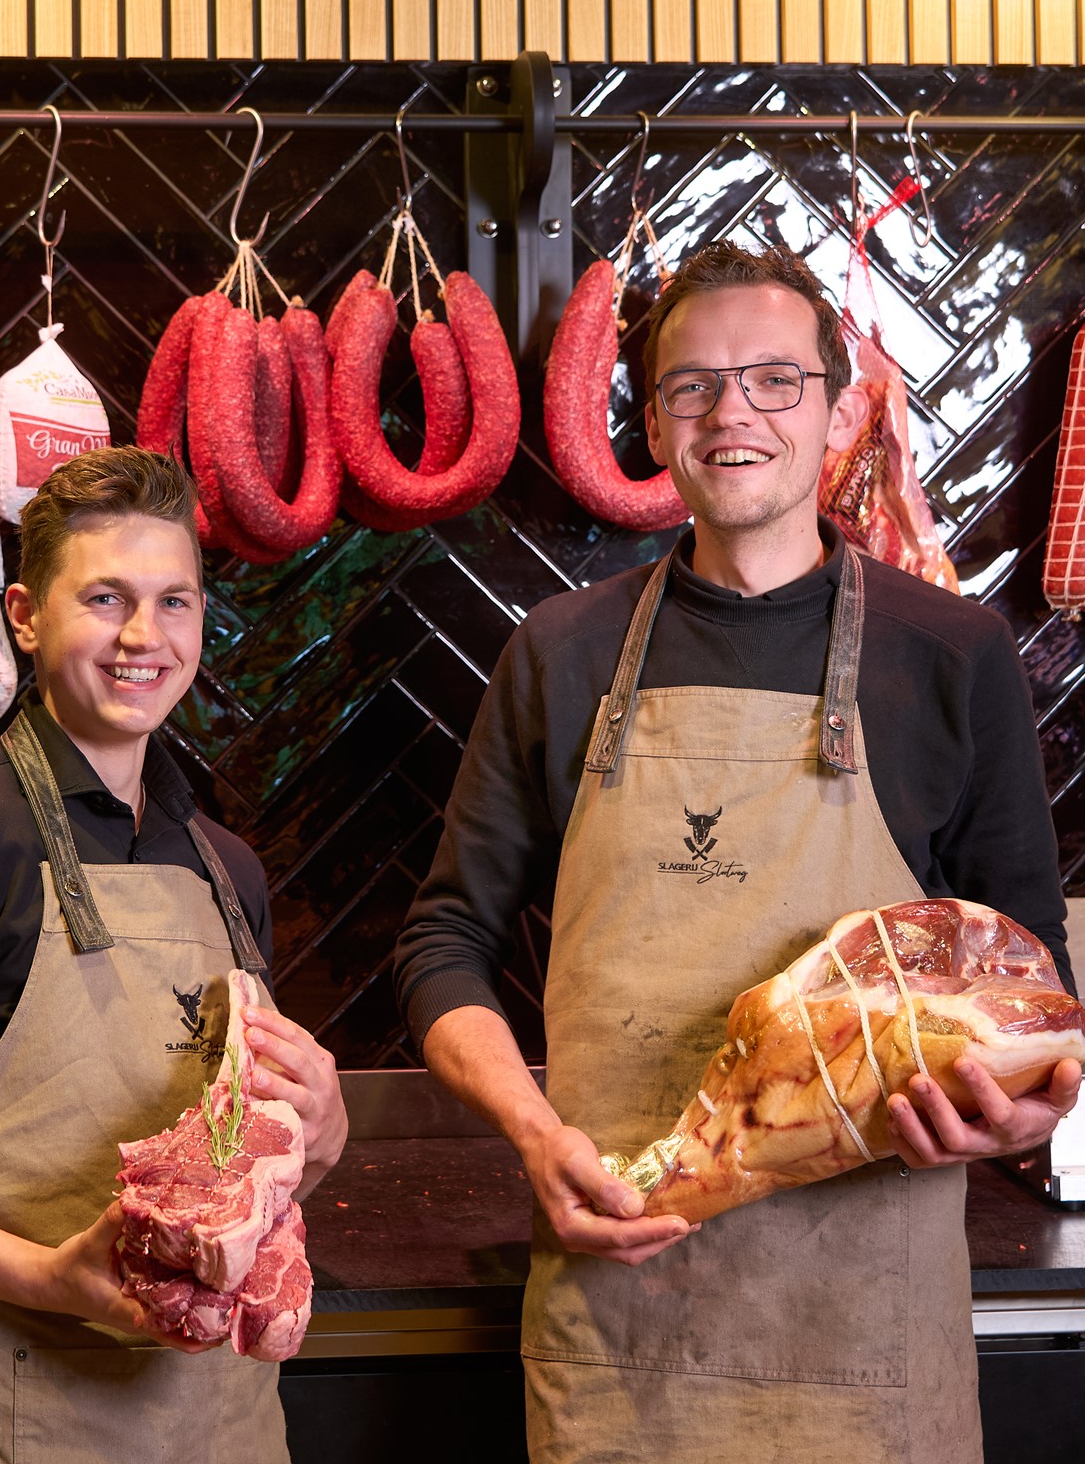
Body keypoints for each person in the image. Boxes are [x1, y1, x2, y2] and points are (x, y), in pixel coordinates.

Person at [394, 239, 1080, 1464]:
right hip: (619, 1321)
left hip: (864, 1335)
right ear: (655, 425)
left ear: (838, 410)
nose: (731, 415)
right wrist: (533, 1135)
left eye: (771, 380)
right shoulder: (558, 652)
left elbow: (1037, 992)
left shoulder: (950, 656)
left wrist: (1010, 1122)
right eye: (692, 386)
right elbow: (442, 941)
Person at [0, 446, 347, 1463]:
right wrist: (45, 1278)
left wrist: (322, 1132)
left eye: (174, 602)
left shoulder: (228, 867)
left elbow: (255, 1180)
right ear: (23, 615)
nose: (145, 636)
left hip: (232, 1434)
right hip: (20, 1427)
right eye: (105, 598)